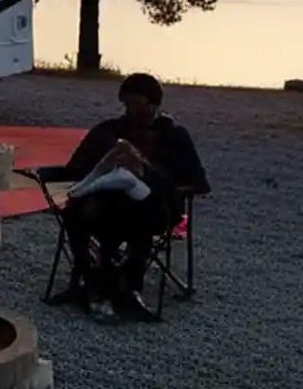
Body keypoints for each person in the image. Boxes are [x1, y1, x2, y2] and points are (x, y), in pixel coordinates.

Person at [54, 72, 211, 323]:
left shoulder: (174, 136)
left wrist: (153, 177)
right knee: (82, 210)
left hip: (153, 207)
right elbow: (76, 167)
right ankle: (92, 278)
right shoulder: (109, 130)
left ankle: (117, 288)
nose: (131, 110)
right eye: (127, 103)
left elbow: (199, 183)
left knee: (129, 212)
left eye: (137, 104)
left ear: (153, 104)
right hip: (104, 202)